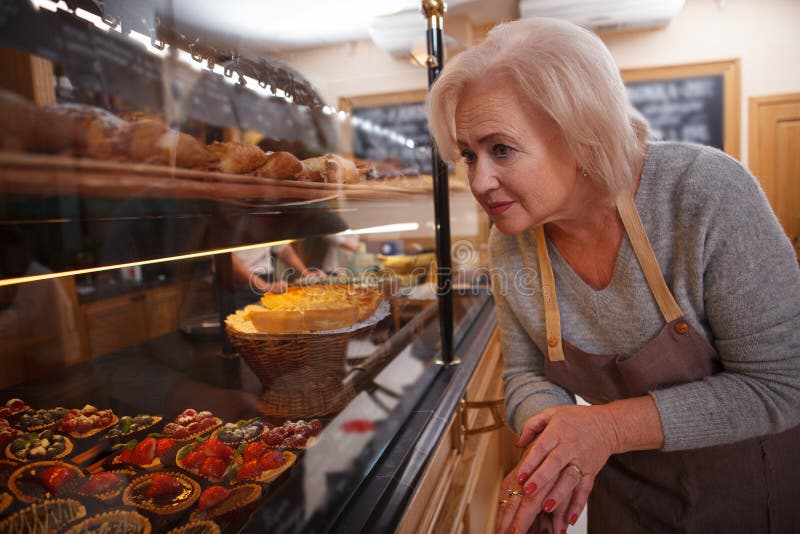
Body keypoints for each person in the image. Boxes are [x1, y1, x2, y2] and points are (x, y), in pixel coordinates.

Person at [427, 17, 800, 534]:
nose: (479, 180)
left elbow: (782, 385)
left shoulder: (705, 194)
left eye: (501, 150)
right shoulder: (512, 240)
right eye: (469, 155)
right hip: (626, 501)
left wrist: (605, 427)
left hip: (747, 491)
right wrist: (554, 454)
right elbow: (525, 373)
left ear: (582, 133)